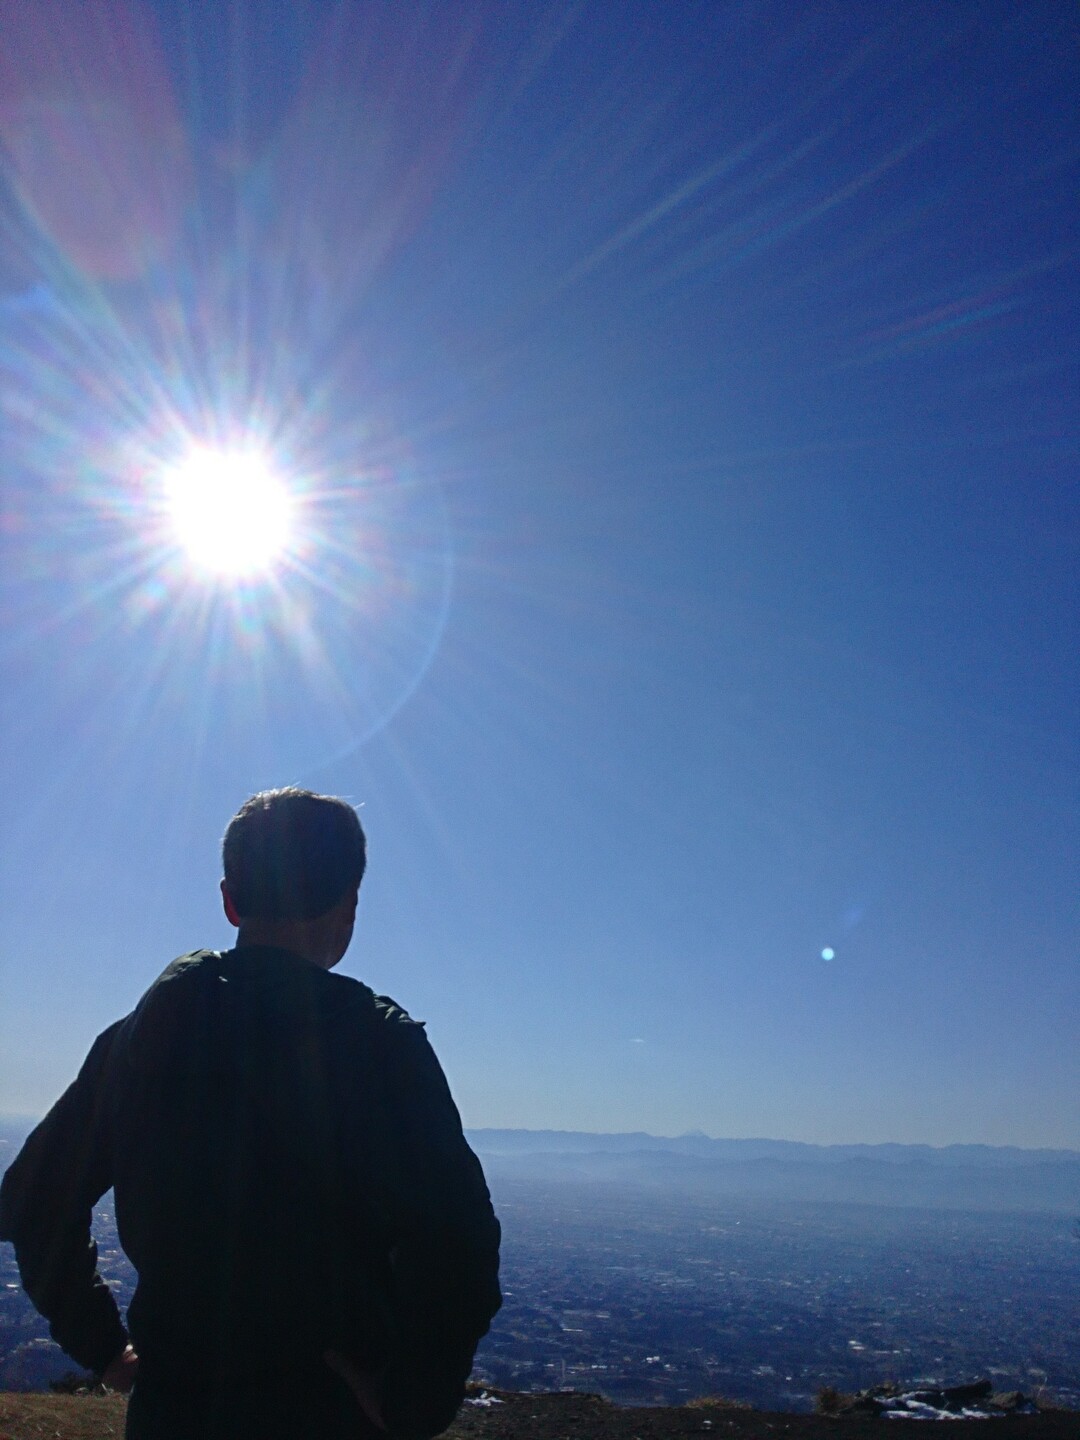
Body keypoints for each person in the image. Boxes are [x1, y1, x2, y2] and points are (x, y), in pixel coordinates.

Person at [0, 788, 501, 1440]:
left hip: (172, 1413)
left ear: (230, 900)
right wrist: (409, 1404)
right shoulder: (383, 1047)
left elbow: (35, 1198)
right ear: (349, 908)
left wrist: (106, 1349)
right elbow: (460, 1247)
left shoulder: (142, 1037)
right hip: (327, 1415)